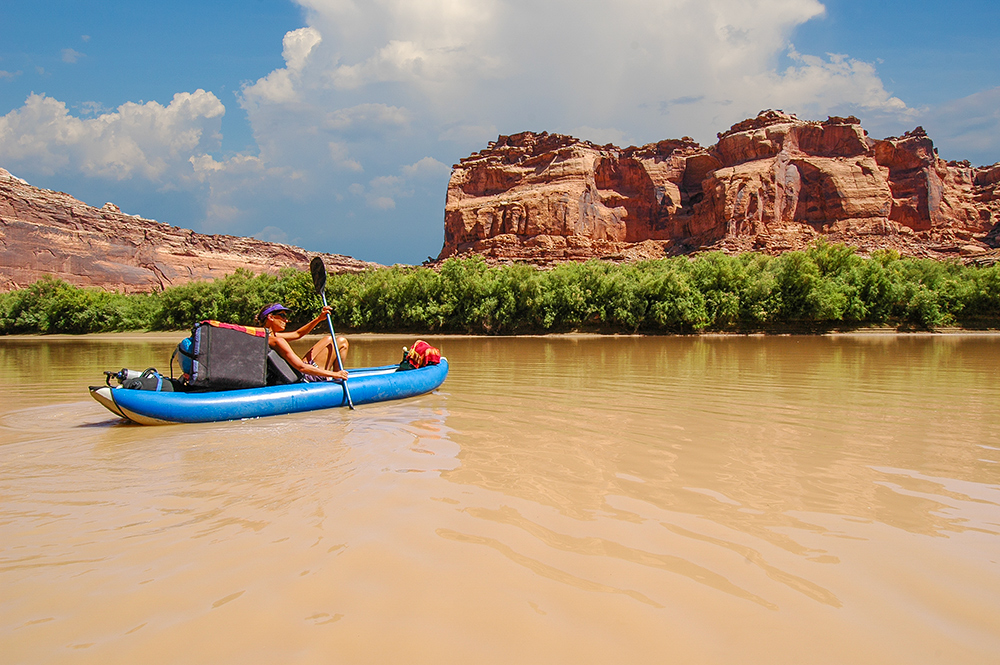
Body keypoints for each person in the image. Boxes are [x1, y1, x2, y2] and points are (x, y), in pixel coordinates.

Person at [256, 303, 349, 382]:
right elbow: (302, 367)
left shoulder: (268, 337)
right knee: (342, 342)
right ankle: (337, 377)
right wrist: (334, 374)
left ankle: (335, 374)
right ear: (271, 317)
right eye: (282, 316)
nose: (286, 320)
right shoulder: (277, 341)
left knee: (328, 339)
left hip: (299, 369)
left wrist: (319, 318)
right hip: (304, 376)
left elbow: (298, 334)